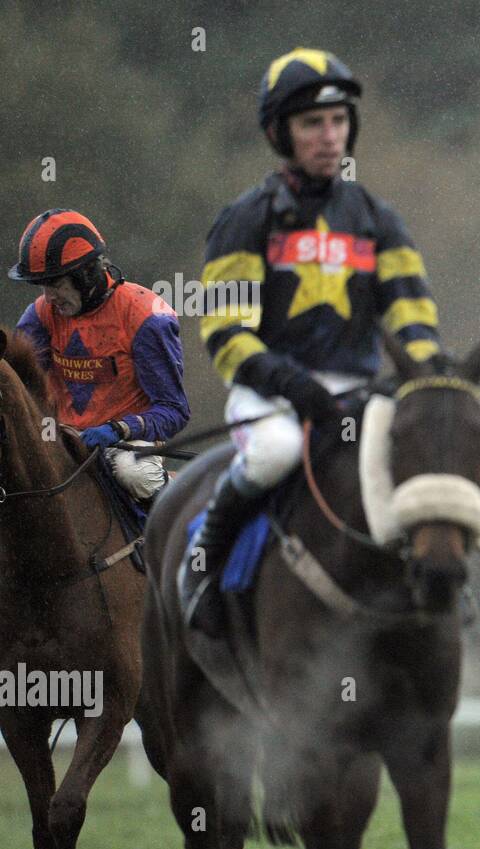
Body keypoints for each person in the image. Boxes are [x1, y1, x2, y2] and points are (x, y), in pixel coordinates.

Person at [180, 47, 441, 629]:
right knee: (274, 452)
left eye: (339, 121)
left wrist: (430, 374)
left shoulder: (378, 218)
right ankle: (202, 565)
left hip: (359, 392)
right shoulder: (245, 220)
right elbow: (225, 333)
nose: (329, 137)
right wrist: (296, 387)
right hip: (270, 396)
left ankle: (443, 585)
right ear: (280, 133)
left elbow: (412, 316)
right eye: (312, 124)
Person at [9, 209, 189, 505]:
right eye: (42, 285)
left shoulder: (146, 318)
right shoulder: (40, 316)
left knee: (137, 474)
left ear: (86, 275)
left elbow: (173, 411)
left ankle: (183, 531)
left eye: (55, 283)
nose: (48, 296)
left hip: (123, 443)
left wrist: (118, 428)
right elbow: (21, 388)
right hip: (61, 438)